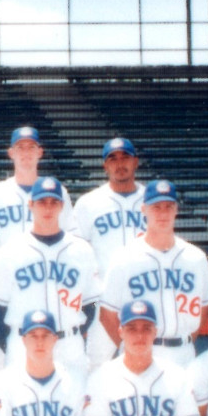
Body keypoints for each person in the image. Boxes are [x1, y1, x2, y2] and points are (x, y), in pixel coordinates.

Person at [0, 176, 98, 376]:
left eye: (53, 202)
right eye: (42, 202)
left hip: (69, 344)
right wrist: (13, 341)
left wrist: (75, 332)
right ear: (30, 205)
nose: (48, 208)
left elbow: (91, 304)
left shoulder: (81, 250)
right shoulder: (10, 250)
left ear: (62, 206)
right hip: (24, 344)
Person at [99, 179, 208, 367]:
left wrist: (183, 339)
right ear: (143, 209)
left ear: (176, 209)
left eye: (168, 206)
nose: (163, 213)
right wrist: (131, 348)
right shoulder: (124, 257)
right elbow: (107, 315)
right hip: (140, 353)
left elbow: (203, 310)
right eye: (156, 207)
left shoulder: (196, 258)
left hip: (184, 353)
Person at [72, 136, 147, 366]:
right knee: (96, 365)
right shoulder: (89, 203)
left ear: (136, 162)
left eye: (125, 157)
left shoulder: (152, 200)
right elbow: (76, 254)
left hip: (144, 293)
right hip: (101, 299)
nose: (119, 163)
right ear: (105, 165)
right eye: (112, 158)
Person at [0, 126, 77, 258]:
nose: (26, 153)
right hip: (6, 272)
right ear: (11, 153)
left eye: (31, 147)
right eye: (20, 147)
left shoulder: (58, 192)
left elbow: (70, 235)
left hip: (45, 269)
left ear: (40, 152)